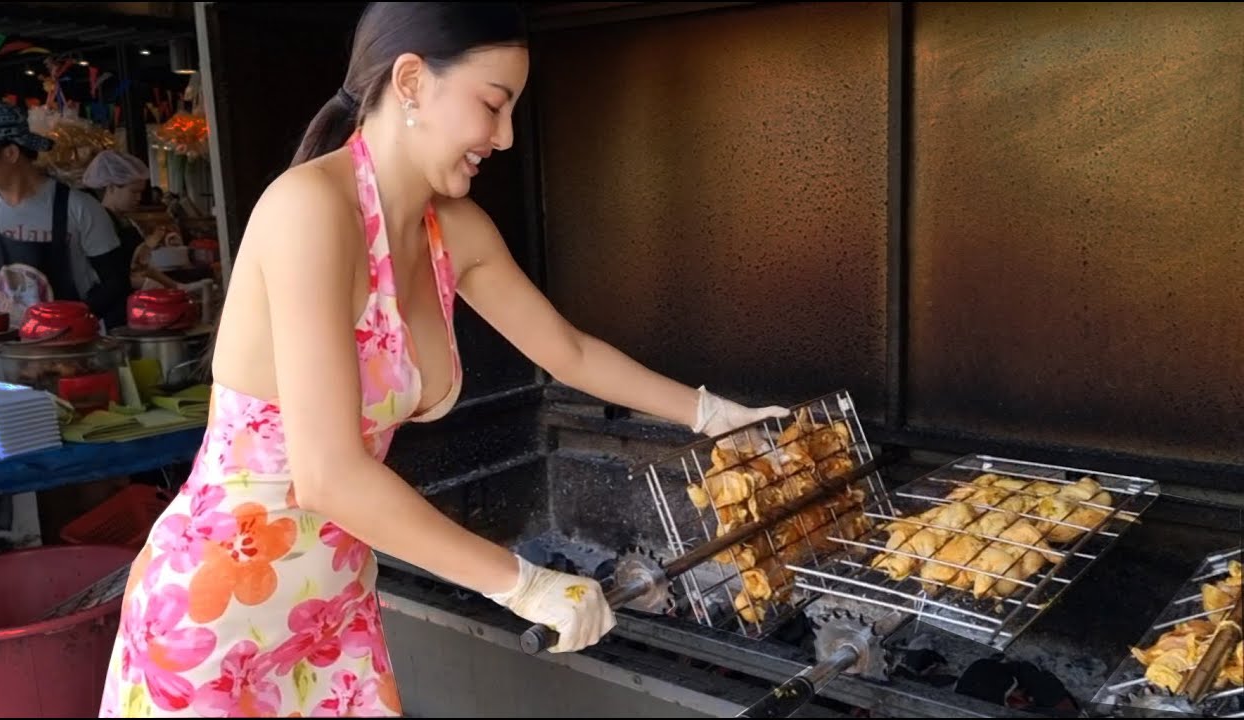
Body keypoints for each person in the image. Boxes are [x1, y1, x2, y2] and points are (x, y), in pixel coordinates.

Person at [96, 4, 790, 717]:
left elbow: (571, 353)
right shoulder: (308, 209)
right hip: (212, 625)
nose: (505, 135)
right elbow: (328, 476)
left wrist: (713, 414)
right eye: (492, 104)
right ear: (411, 82)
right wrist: (521, 582)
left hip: (331, 614)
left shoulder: (452, 230)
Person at [0, 101, 131, 326]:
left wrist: (68, 320)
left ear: (10, 153)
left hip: (67, 340)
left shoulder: (79, 208)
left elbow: (116, 284)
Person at [81, 149, 182, 294]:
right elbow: (103, 274)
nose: (138, 198)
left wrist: (175, 286)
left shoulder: (127, 220)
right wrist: (145, 284)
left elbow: (140, 266)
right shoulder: (100, 223)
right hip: (116, 300)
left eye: (140, 192)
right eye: (133, 192)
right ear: (111, 188)